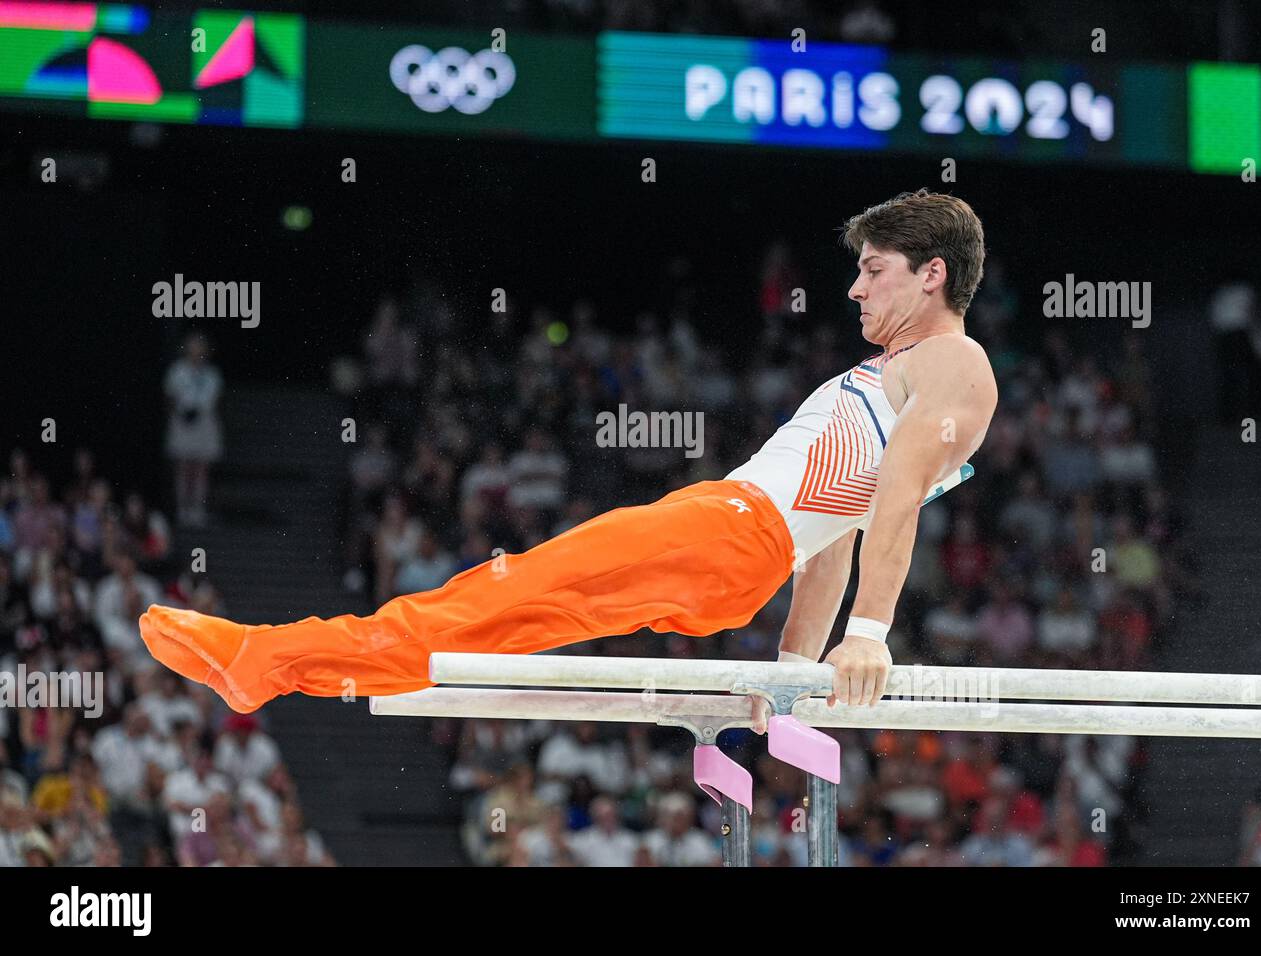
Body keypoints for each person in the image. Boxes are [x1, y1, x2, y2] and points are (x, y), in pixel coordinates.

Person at [138, 189, 999, 719]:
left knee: (507, 594)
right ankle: (282, 668)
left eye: (874, 270)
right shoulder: (896, 374)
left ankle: (270, 659)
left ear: (931, 274)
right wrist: (791, 677)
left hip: (730, 533)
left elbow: (889, 501)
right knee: (502, 620)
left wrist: (872, 635)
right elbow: (838, 535)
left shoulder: (953, 363)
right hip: (741, 550)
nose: (854, 287)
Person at [164, 332, 223, 528]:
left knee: (201, 469)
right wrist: (181, 413)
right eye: (193, 347)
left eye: (200, 347)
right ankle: (183, 510)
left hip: (203, 421)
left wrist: (198, 411)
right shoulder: (177, 371)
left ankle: (197, 510)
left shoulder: (212, 374)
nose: (196, 351)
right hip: (182, 420)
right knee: (183, 468)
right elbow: (170, 396)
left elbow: (212, 399)